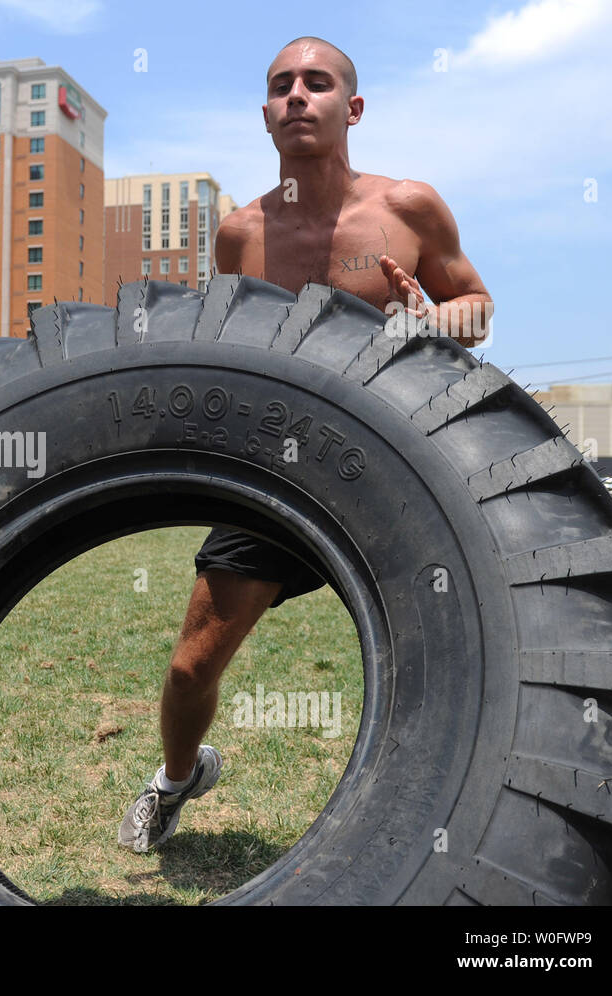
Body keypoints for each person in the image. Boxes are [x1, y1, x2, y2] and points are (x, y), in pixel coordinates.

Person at [118, 36, 493, 853]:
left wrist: (434, 323)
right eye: (281, 85)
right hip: (283, 476)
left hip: (397, 470)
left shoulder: (407, 209)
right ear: (264, 114)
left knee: (444, 666)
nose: (297, 96)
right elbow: (229, 358)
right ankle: (177, 779)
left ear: (351, 108)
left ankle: (440, 819)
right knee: (188, 672)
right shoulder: (240, 234)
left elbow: (477, 306)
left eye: (316, 84)